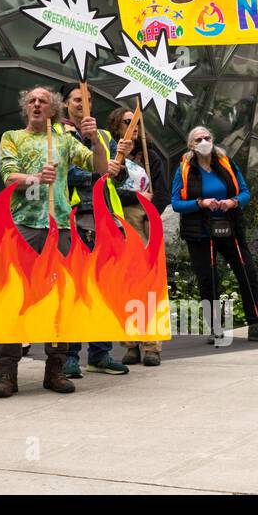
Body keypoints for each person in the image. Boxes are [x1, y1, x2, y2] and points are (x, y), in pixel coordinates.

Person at [0, 86, 108, 398]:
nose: (37, 104)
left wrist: (96, 140)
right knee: (16, 298)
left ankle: (55, 369)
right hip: (24, 226)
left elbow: (98, 168)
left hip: (60, 227)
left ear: (53, 108)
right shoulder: (12, 137)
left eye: (43, 100)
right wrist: (33, 179)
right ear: (25, 107)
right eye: (31, 100)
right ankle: (6, 372)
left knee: (61, 300)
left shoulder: (64, 140)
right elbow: (8, 176)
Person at [170, 126, 258, 346]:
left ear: (213, 139)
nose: (203, 141)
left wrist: (233, 202)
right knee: (208, 279)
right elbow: (176, 203)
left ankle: (255, 325)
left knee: (247, 272)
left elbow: (245, 192)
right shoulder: (184, 169)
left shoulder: (226, 163)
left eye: (207, 137)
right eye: (198, 139)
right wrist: (200, 203)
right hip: (200, 232)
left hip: (230, 228)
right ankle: (216, 329)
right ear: (191, 145)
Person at [57, 86, 129, 378]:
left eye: (87, 100)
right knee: (76, 287)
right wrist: (100, 170)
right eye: (77, 100)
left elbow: (120, 174)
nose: (83, 104)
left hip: (106, 218)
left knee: (105, 287)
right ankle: (70, 355)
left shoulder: (105, 137)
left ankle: (100, 353)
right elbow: (65, 172)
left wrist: (117, 169)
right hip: (74, 218)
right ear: (65, 104)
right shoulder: (57, 136)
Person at [105, 107, 167, 367]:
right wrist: (135, 197)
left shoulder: (150, 156)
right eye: (127, 122)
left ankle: (152, 344)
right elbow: (108, 190)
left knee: (150, 283)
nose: (132, 127)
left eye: (136, 122)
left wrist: (151, 211)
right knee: (126, 283)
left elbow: (161, 192)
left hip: (146, 220)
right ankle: (130, 344)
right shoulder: (112, 156)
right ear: (117, 126)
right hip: (122, 219)